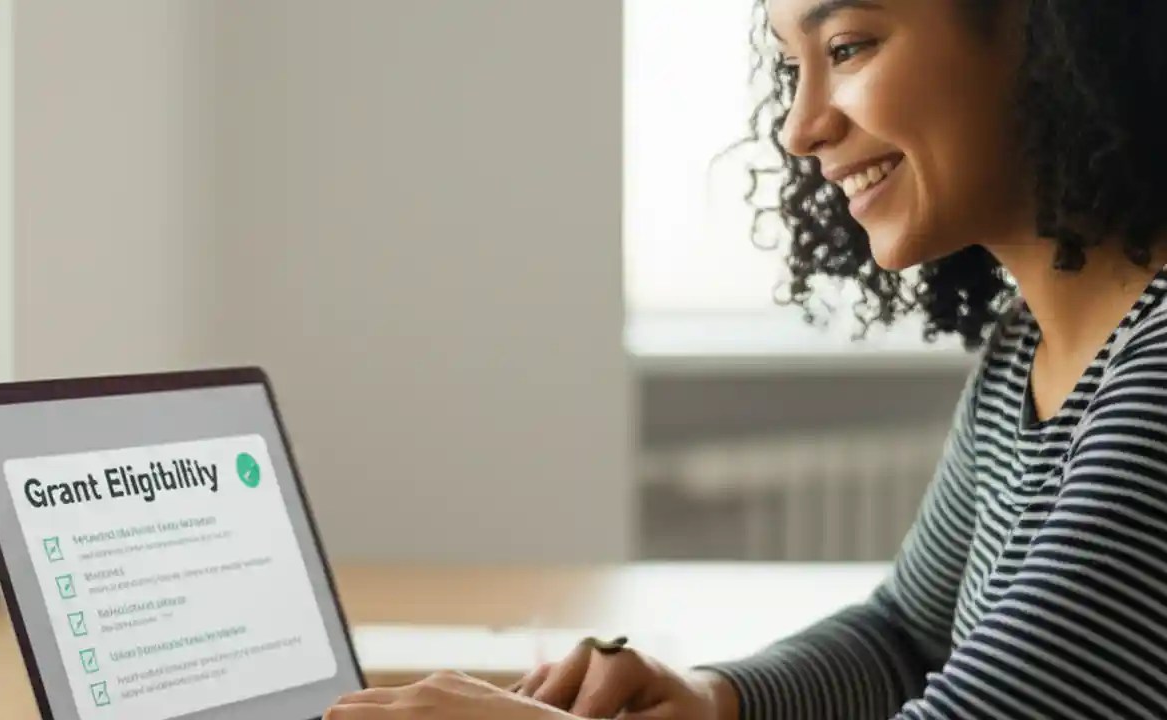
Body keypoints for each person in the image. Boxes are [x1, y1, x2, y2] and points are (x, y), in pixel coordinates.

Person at [326, 0, 1167, 717]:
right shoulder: (1031, 345)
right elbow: (908, 637)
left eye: (846, 48)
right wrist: (712, 697)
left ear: (1044, 28)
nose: (802, 128)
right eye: (790, 66)